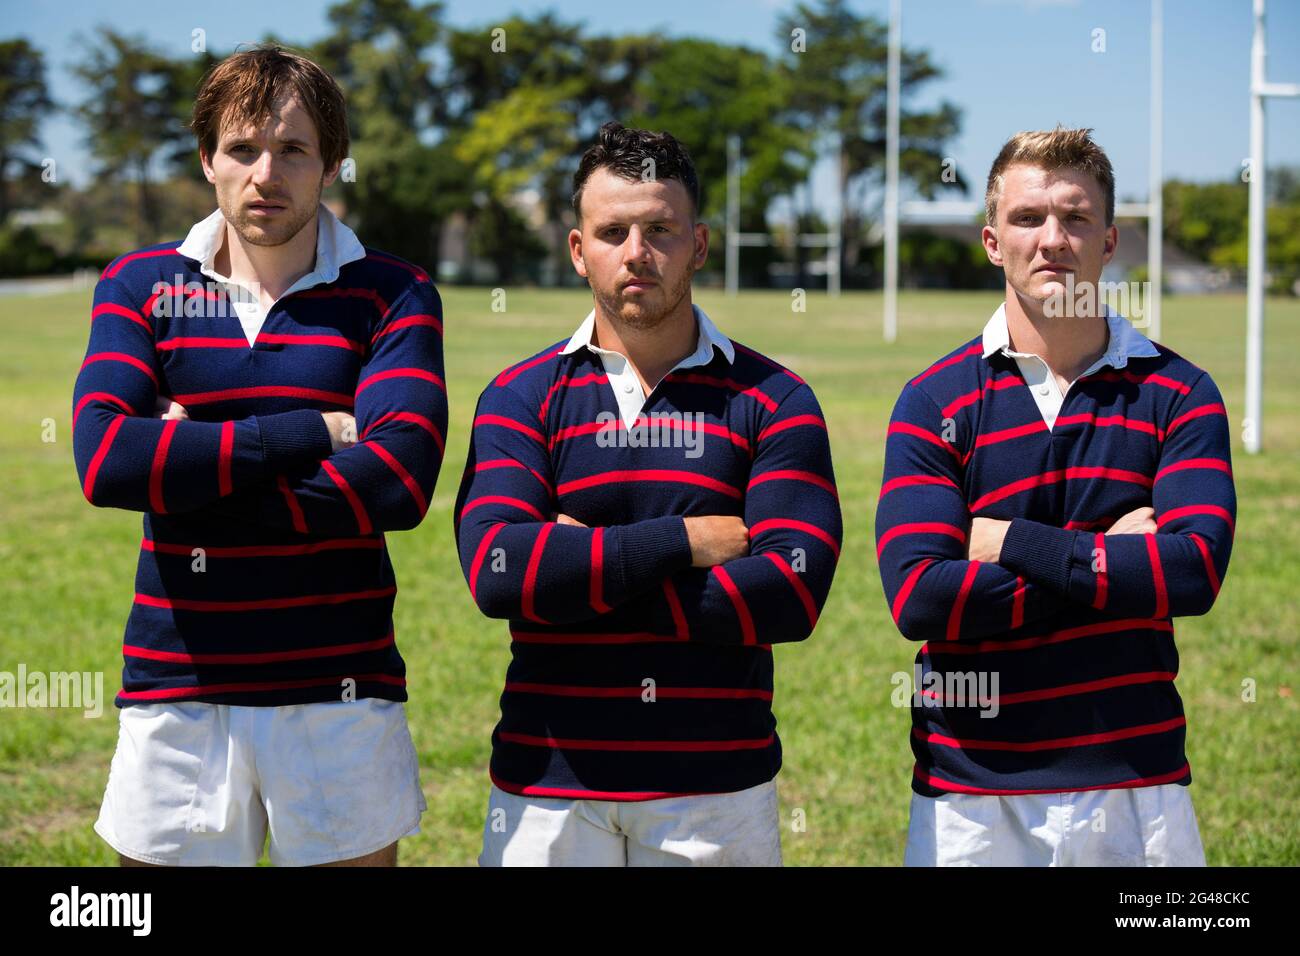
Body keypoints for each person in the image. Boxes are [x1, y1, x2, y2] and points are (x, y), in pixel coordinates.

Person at [72, 46, 447, 867]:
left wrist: (183, 463)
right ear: (208, 159)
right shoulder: (139, 286)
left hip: (341, 684)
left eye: (293, 149)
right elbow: (106, 462)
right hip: (178, 683)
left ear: (333, 164)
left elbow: (402, 478)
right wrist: (315, 432)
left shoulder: (394, 291)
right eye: (242, 149)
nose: (265, 173)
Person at [454, 122, 842, 866]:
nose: (637, 253)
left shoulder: (775, 398)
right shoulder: (519, 396)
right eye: (613, 231)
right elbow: (501, 575)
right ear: (578, 249)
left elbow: (790, 596)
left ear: (698, 245)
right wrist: (688, 543)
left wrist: (576, 571)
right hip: (547, 788)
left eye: (661, 229)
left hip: (717, 791)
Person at [876, 126, 1236, 866]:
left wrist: (1006, 540)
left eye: (1075, 218)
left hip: (1137, 780)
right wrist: (1112, 564)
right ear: (990, 240)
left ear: (1108, 241)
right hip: (971, 789)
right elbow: (921, 599)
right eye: (1028, 218)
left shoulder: (1181, 394)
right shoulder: (932, 400)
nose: (1053, 239)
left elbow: (1192, 574)